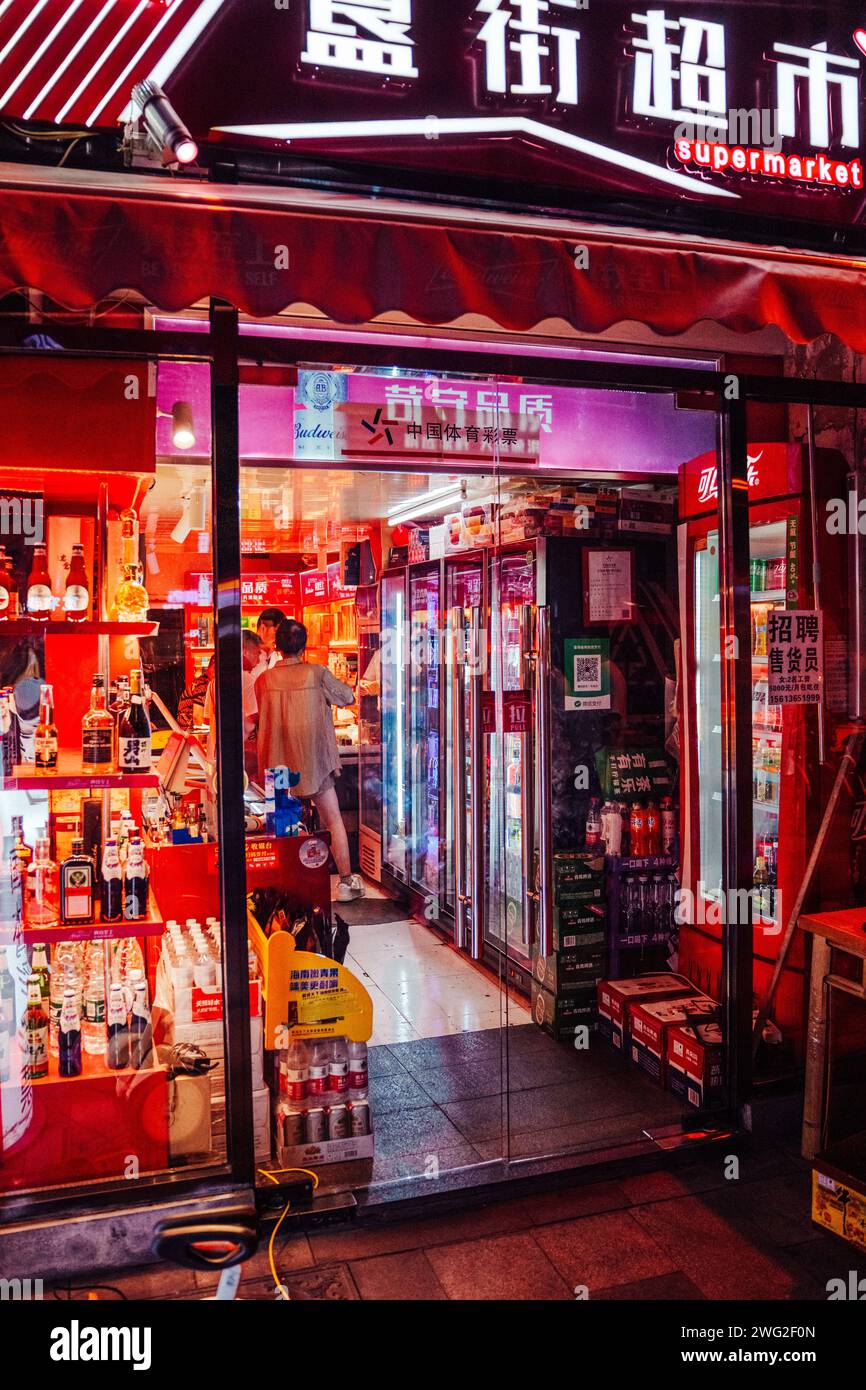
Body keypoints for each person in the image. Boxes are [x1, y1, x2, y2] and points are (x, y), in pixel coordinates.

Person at [256, 619, 363, 902]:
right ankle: (344, 882)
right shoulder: (317, 673)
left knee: (279, 826)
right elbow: (347, 696)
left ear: (276, 647)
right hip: (314, 760)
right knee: (333, 820)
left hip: (277, 765)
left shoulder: (264, 680)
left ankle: (281, 883)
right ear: (304, 646)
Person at [253, 608, 286, 680]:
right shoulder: (248, 655)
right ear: (263, 628)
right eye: (277, 631)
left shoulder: (277, 655)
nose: (280, 636)